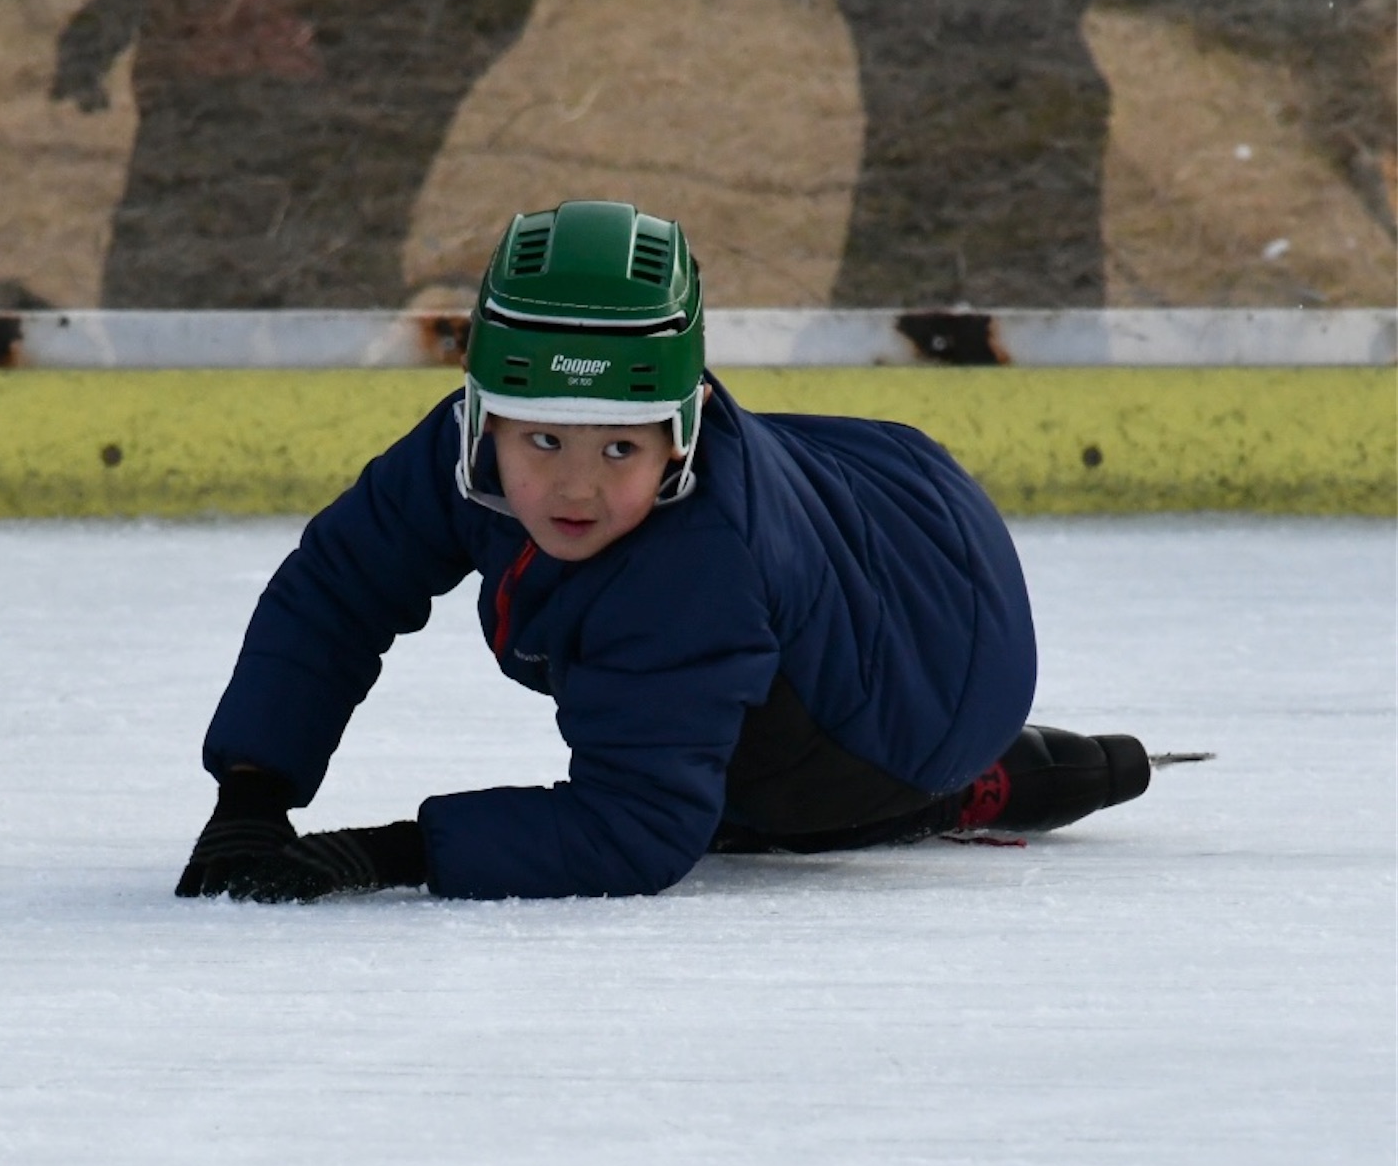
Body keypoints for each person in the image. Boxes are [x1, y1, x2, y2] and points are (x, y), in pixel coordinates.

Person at [176, 200, 1150, 904]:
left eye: (619, 445)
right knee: (664, 703)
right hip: (874, 508)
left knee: (751, 807)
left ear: (681, 430)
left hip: (921, 694)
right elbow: (335, 587)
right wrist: (251, 794)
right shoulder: (455, 448)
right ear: (482, 415)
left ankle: (975, 780)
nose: (575, 486)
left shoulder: (694, 563)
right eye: (542, 438)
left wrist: (376, 854)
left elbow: (636, 831)